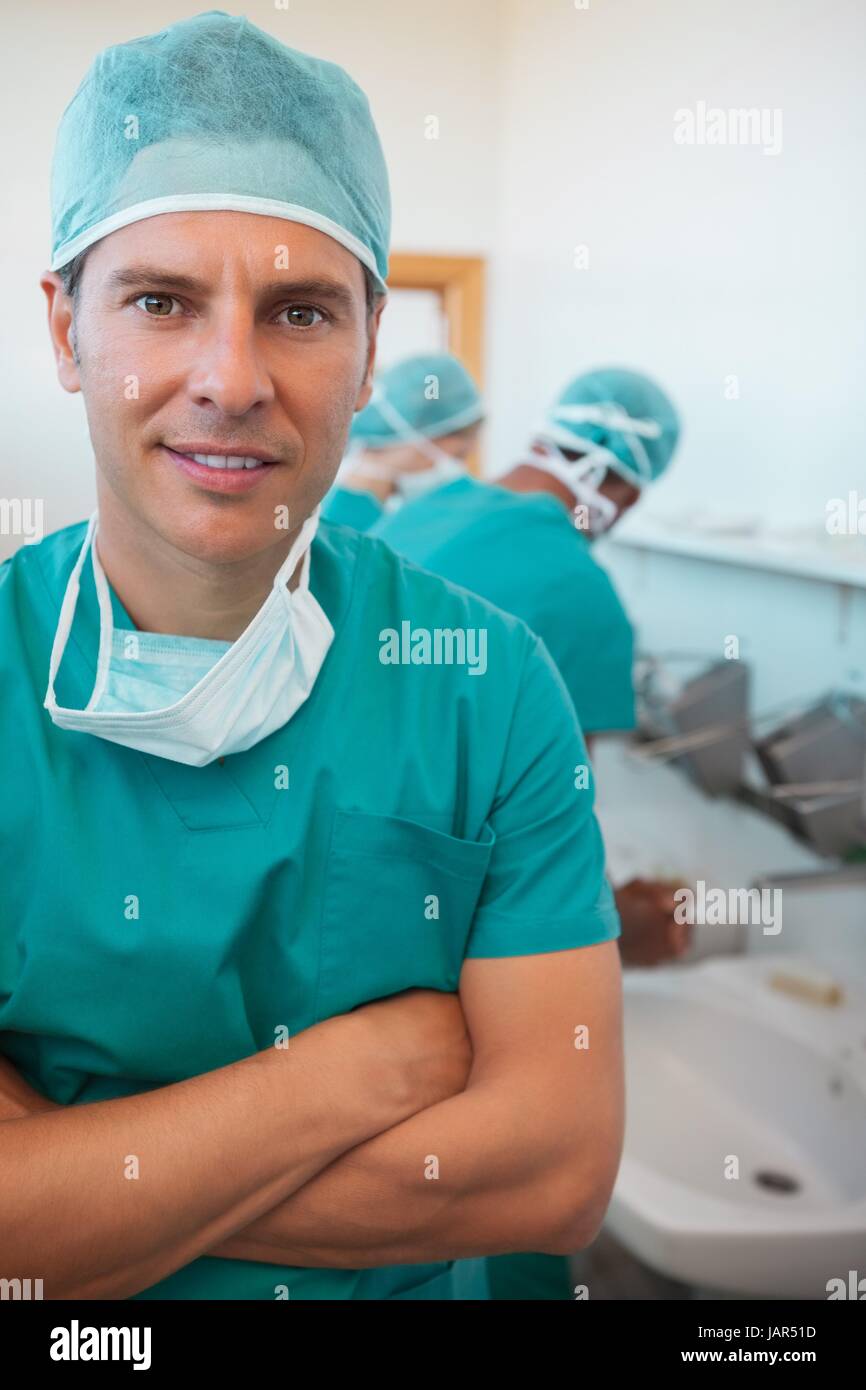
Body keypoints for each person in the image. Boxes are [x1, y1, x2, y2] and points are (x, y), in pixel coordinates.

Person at [0, 13, 624, 1301]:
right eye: (161, 302)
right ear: (65, 332)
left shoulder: (486, 689)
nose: (230, 380)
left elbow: (553, 1174)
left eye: (298, 311)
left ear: (368, 350)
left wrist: (76, 1176)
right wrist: (352, 1074)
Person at [371, 365, 688, 1298]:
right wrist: (627, 925)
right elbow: (548, 857)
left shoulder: (421, 515)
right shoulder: (579, 592)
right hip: (449, 958)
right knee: (512, 1209)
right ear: (622, 487)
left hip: (341, 915)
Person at [322, 351, 483, 530]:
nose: (455, 469)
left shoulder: (381, 517)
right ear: (410, 437)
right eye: (457, 456)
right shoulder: (340, 531)